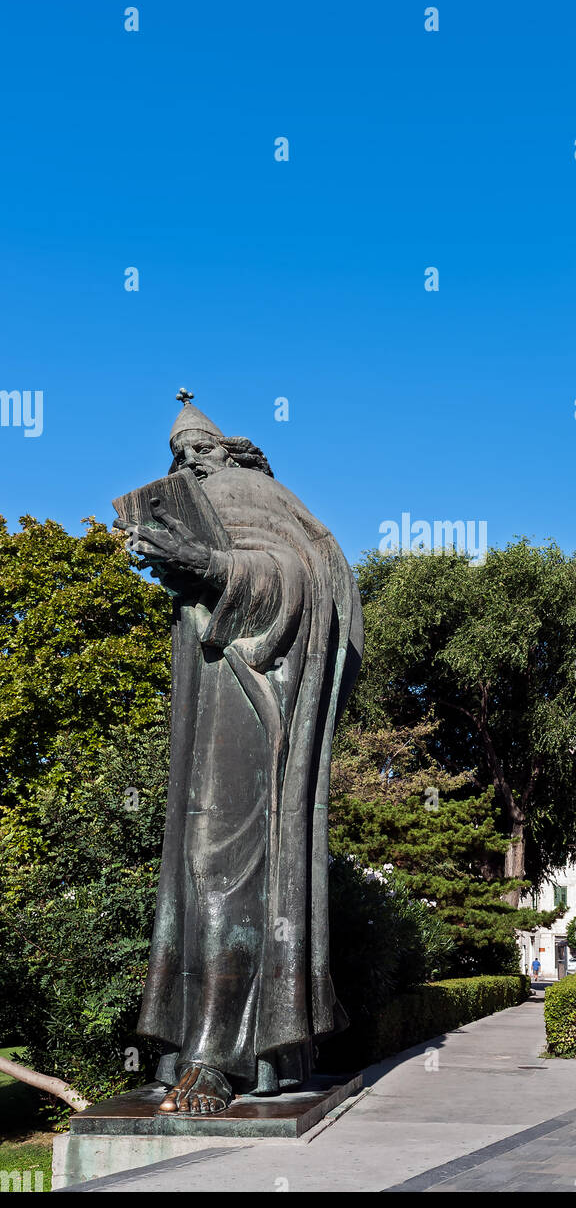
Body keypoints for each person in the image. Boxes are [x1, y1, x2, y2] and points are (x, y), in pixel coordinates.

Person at [116, 392, 362, 1116]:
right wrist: (179, 563)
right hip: (211, 695)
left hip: (256, 696)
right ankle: (201, 1049)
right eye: (180, 453)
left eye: (201, 447)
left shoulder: (258, 495)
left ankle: (217, 1056)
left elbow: (302, 578)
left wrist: (213, 564)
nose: (190, 458)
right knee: (194, 878)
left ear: (231, 451)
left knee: (223, 866)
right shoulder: (198, 499)